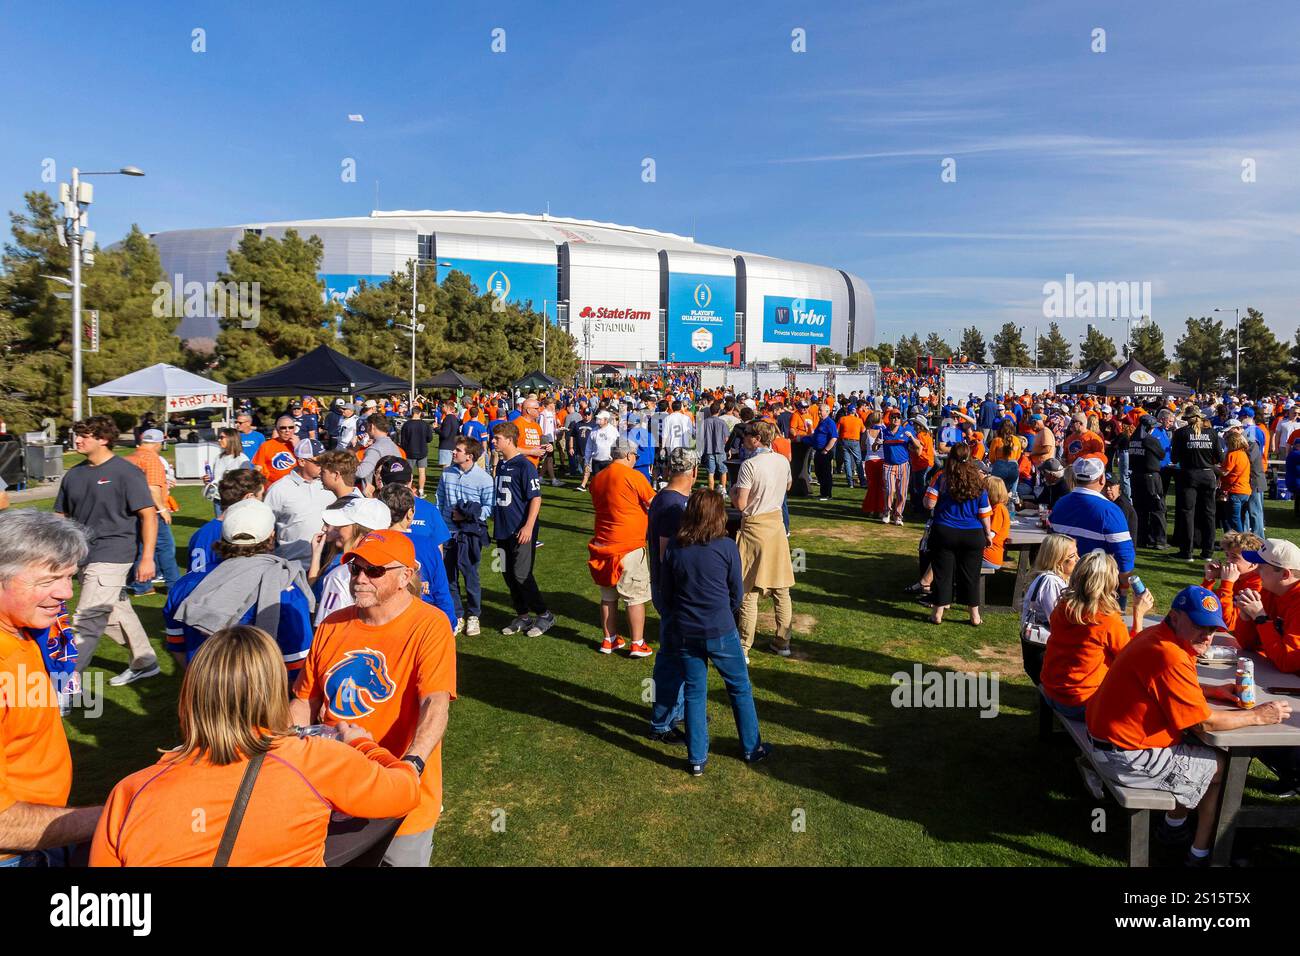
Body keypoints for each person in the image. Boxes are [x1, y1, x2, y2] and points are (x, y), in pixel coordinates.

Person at [90, 625, 419, 866]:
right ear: (273, 691)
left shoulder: (131, 792)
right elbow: (405, 789)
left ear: (192, 694)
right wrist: (363, 744)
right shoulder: (315, 761)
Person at [1085, 586, 1291, 864]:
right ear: (1176, 616)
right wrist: (1260, 716)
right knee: (1224, 766)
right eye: (1199, 625)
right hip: (1125, 756)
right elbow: (1204, 724)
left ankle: (1174, 827)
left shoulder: (1157, 636)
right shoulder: (1169, 654)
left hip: (1109, 741)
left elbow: (1165, 687)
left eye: (1212, 628)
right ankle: (1202, 853)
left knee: (1201, 751)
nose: (1207, 635)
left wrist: (1211, 691)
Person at [291, 530, 455, 867]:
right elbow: (303, 702)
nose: (360, 579)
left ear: (404, 577)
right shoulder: (331, 626)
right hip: (333, 793)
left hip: (400, 797)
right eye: (355, 569)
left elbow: (434, 702)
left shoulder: (429, 625)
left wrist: (413, 764)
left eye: (374, 571)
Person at [0, 512, 102, 866]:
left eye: (70, 577)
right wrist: (114, 817)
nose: (66, 593)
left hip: (44, 830)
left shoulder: (26, 630)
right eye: (48, 580)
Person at [660, 490, 771, 777]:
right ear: (718, 515)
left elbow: (667, 593)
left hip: (687, 630)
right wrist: (722, 613)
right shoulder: (726, 547)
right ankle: (752, 747)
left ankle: (697, 759)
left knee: (696, 693)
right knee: (739, 687)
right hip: (720, 629)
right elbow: (737, 592)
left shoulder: (675, 546)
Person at [56, 416, 160, 687]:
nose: (78, 440)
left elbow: (149, 515)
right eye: (76, 435)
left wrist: (147, 557)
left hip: (114, 552)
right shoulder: (73, 474)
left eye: (85, 435)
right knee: (115, 612)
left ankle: (66, 682)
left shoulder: (126, 472)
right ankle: (145, 661)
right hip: (81, 555)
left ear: (103, 439)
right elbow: (60, 517)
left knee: (88, 616)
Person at [166, 499, 315, 673]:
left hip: (202, 689)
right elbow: (296, 665)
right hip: (264, 693)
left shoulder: (185, 584)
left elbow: (178, 647)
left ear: (223, 537)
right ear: (271, 537)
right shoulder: (286, 591)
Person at [1040, 551, 1148, 719]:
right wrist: (1138, 614)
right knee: (1147, 692)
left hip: (1052, 691)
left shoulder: (1062, 607)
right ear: (1108, 582)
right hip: (1081, 702)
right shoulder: (1106, 620)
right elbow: (1133, 660)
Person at [732, 421, 795, 660]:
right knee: (781, 588)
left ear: (756, 438)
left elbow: (740, 504)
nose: (743, 439)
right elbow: (787, 486)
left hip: (755, 526)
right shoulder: (782, 460)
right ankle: (783, 642)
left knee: (749, 589)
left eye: (746, 435)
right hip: (776, 525)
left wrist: (733, 492)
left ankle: (744, 646)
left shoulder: (750, 465)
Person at [588, 437, 655, 657]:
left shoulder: (598, 478)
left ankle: (609, 639)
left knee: (608, 596)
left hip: (604, 544)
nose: (636, 459)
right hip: (629, 544)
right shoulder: (634, 476)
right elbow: (653, 503)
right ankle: (637, 642)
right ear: (628, 455)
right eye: (635, 455)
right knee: (635, 597)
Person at [646, 448, 696, 742]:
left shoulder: (668, 499)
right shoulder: (672, 504)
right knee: (671, 657)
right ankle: (662, 722)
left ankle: (676, 711)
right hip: (672, 589)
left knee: (679, 655)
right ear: (692, 472)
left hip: (669, 587)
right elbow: (668, 555)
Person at [491, 422, 554, 636]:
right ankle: (523, 615)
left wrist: (528, 526)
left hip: (520, 530)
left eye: (497, 438)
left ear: (509, 440)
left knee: (521, 574)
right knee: (505, 573)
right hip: (502, 529)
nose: (493, 441)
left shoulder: (524, 465)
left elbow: (536, 498)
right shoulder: (501, 464)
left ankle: (544, 614)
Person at [922, 443, 992, 627]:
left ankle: (937, 613)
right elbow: (985, 513)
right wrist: (988, 535)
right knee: (971, 575)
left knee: (942, 573)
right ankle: (974, 616)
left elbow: (929, 504)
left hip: (945, 530)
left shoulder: (941, 477)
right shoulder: (978, 480)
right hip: (972, 533)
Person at [376, 483, 458, 631]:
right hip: (422, 618)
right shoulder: (427, 545)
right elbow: (441, 589)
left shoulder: (372, 542)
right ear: (410, 513)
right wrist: (450, 623)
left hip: (383, 618)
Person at [1046, 457, 1136, 588]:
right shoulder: (1110, 511)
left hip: (1064, 581)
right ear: (1102, 479)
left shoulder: (1060, 504)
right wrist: (1123, 585)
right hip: (1098, 585)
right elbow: (1124, 554)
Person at [437, 436, 494, 637]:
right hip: (446, 533)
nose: (453, 452)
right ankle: (457, 615)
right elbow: (440, 500)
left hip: (470, 535)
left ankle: (473, 615)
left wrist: (468, 515)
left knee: (471, 576)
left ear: (469, 456)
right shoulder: (446, 474)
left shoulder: (485, 479)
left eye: (458, 450)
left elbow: (489, 508)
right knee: (449, 576)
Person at [311, 496, 392, 625]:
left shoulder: (340, 576)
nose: (337, 528)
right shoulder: (398, 568)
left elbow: (328, 627)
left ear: (357, 530)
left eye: (342, 525)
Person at [124, 428, 182, 597]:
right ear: (158, 444)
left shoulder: (129, 458)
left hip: (132, 510)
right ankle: (174, 585)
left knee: (142, 548)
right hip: (152, 511)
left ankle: (141, 585)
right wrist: (163, 509)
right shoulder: (152, 459)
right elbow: (152, 488)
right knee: (166, 548)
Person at [263, 438, 337, 569]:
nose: (324, 466)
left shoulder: (330, 485)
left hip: (326, 565)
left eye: (326, 462)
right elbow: (266, 530)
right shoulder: (279, 489)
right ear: (302, 461)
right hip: (292, 567)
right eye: (319, 462)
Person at [1233, 537, 1300, 673]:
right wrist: (1246, 616)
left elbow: (1288, 663)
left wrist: (1261, 618)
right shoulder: (1270, 591)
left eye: (1262, 567)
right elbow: (1248, 645)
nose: (1256, 571)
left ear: (1285, 574)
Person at [1019, 533, 1079, 683]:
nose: (1078, 559)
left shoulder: (1056, 579)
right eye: (1072, 556)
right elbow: (1058, 620)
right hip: (1043, 650)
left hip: (1046, 650)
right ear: (1058, 560)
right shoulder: (1050, 583)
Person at [189, 467, 265, 574]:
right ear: (250, 497)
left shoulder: (202, 533)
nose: (263, 501)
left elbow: (193, 577)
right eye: (262, 495)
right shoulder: (246, 533)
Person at [1171, 407, 1222, 561]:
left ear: (1187, 419)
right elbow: (1219, 457)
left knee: (1188, 513)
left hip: (1189, 475)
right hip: (1207, 475)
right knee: (1209, 514)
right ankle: (1208, 551)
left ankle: (1186, 552)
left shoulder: (1181, 433)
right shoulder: (1212, 433)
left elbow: (1174, 458)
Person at [1128, 414, 1169, 549]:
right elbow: (1162, 455)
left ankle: (1141, 538)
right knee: (1158, 508)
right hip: (1151, 477)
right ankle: (1159, 540)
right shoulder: (1150, 440)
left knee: (1140, 509)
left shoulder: (1133, 438)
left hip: (1135, 476)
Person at [203, 428, 251, 516]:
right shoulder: (218, 457)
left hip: (234, 500)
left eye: (222, 437)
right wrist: (207, 480)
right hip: (218, 498)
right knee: (221, 525)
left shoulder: (242, 459)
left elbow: (246, 483)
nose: (219, 440)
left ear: (231, 438)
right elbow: (216, 478)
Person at [879, 410, 913, 525]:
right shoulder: (884, 432)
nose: (896, 419)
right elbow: (874, 447)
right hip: (888, 464)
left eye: (898, 417)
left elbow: (917, 447)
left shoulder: (906, 431)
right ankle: (887, 512)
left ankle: (898, 516)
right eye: (893, 417)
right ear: (889, 418)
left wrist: (913, 438)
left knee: (902, 493)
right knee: (890, 490)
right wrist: (877, 443)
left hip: (903, 464)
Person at [1220, 426, 1252, 533]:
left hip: (1235, 491)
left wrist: (1212, 467)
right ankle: (1237, 542)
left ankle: (1241, 543)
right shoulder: (1243, 454)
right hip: (1245, 491)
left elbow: (1224, 472)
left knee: (1234, 520)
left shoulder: (1232, 454)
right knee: (1239, 519)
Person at [253, 417, 300, 487]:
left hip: (295, 486)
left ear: (295, 429)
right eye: (283, 428)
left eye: (290, 427)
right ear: (277, 430)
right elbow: (258, 468)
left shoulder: (301, 444)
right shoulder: (266, 445)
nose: (287, 430)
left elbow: (308, 465)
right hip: (273, 487)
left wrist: (298, 447)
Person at [397, 405, 433, 498]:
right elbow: (429, 438)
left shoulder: (407, 424)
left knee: (409, 472)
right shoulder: (425, 424)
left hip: (410, 451)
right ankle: (421, 491)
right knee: (422, 472)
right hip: (422, 451)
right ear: (420, 413)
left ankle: (408, 490)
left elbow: (403, 441)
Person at [356, 415, 402, 488]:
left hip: (374, 495)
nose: (366, 430)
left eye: (367, 426)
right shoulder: (393, 446)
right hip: (392, 491)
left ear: (372, 426)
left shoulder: (375, 449)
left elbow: (360, 473)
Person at [807, 402, 838, 501]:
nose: (819, 412)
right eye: (819, 410)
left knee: (825, 473)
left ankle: (827, 494)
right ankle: (822, 493)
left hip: (824, 451)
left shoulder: (830, 422)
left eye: (821, 410)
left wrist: (826, 450)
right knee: (818, 472)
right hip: (818, 451)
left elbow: (834, 438)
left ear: (827, 412)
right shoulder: (821, 421)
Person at [580, 410, 618, 490]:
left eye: (600, 419)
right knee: (598, 484)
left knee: (609, 485)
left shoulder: (613, 430)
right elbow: (588, 447)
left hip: (609, 461)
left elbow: (618, 446)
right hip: (596, 461)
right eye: (598, 419)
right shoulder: (594, 430)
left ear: (606, 420)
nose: (598, 421)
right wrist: (587, 462)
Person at [699, 401, 730, 494]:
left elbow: (700, 437)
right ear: (719, 411)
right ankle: (723, 490)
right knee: (723, 471)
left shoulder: (704, 422)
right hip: (720, 449)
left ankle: (711, 491)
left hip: (709, 449)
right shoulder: (722, 422)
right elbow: (726, 438)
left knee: (711, 472)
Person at [982, 475, 1011, 571]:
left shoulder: (998, 509)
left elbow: (990, 534)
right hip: (989, 554)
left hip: (989, 555)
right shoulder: (996, 507)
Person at [436, 400, 460, 471]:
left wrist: (436, 429)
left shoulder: (448, 418)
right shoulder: (455, 419)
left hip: (446, 447)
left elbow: (445, 434)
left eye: (443, 406)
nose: (441, 408)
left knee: (446, 470)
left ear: (448, 408)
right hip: (453, 446)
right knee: (451, 470)